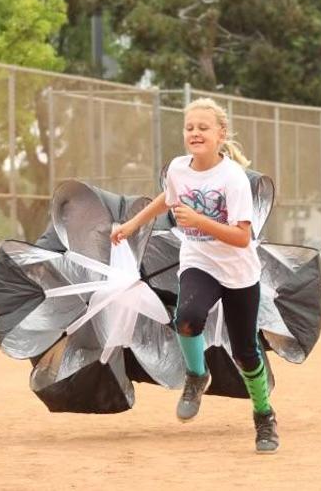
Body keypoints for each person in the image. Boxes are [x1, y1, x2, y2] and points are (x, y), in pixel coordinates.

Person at [110, 97, 279, 455]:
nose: (195, 133)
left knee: (247, 354)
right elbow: (167, 200)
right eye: (190, 128)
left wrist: (199, 221)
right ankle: (196, 374)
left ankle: (264, 416)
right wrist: (131, 225)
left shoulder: (232, 178)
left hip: (237, 271)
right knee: (186, 319)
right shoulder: (178, 168)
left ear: (221, 134)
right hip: (199, 261)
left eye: (203, 128)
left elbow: (242, 236)